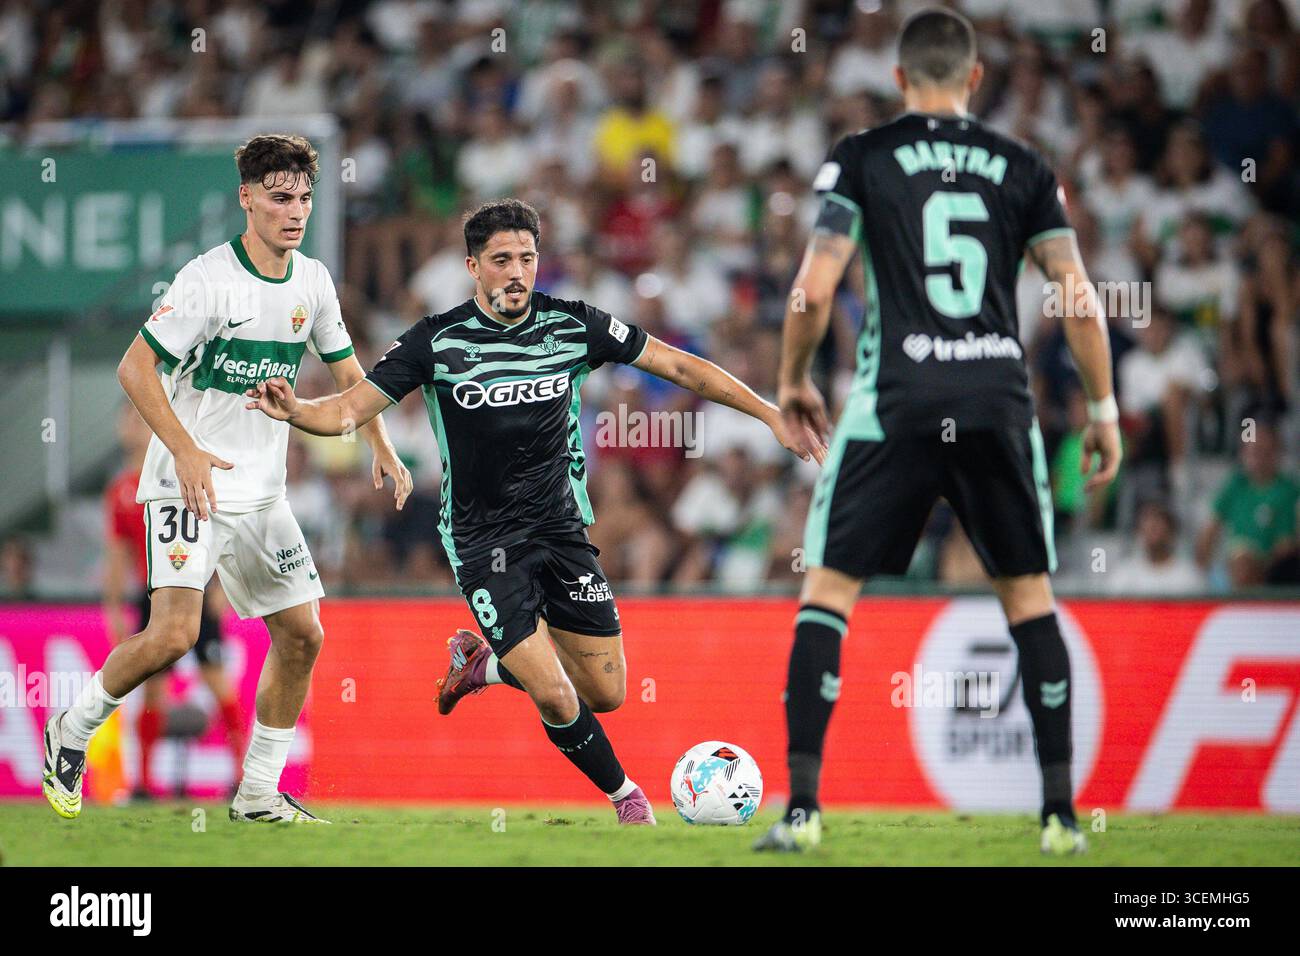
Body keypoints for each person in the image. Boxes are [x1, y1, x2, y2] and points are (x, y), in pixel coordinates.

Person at [245, 198, 822, 824]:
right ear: (473, 266)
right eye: (501, 261)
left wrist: (770, 414)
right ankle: (629, 800)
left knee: (607, 691)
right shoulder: (435, 341)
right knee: (553, 691)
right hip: (483, 541)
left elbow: (678, 365)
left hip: (560, 530)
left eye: (526, 258)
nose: (517, 272)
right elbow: (350, 409)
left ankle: (483, 667)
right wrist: (297, 409)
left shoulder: (574, 324)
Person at [756, 8, 1121, 855]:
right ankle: (1062, 820)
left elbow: (813, 289)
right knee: (1029, 598)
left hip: (896, 400)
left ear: (898, 80)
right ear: (975, 77)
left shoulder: (864, 155)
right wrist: (1102, 410)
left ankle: (803, 812)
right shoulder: (1023, 164)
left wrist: (790, 381)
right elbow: (1074, 293)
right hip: (997, 399)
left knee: (831, 592)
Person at [44, 134, 412, 824]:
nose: (294, 211)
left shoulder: (312, 281)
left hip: (262, 494)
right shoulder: (206, 280)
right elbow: (134, 368)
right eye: (279, 198)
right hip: (189, 486)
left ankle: (258, 794)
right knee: (175, 634)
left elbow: (349, 376)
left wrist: (381, 445)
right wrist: (183, 450)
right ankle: (71, 728)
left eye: (304, 198)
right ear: (246, 198)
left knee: (304, 633)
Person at [103, 404, 245, 798]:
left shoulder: (179, 474)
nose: (131, 426)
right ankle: (145, 784)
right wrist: (114, 608)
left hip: (196, 591)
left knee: (218, 683)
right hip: (151, 597)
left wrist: (224, 587)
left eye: (139, 419)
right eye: (127, 418)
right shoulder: (120, 491)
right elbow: (116, 556)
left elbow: (219, 529)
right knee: (151, 690)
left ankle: (242, 778)